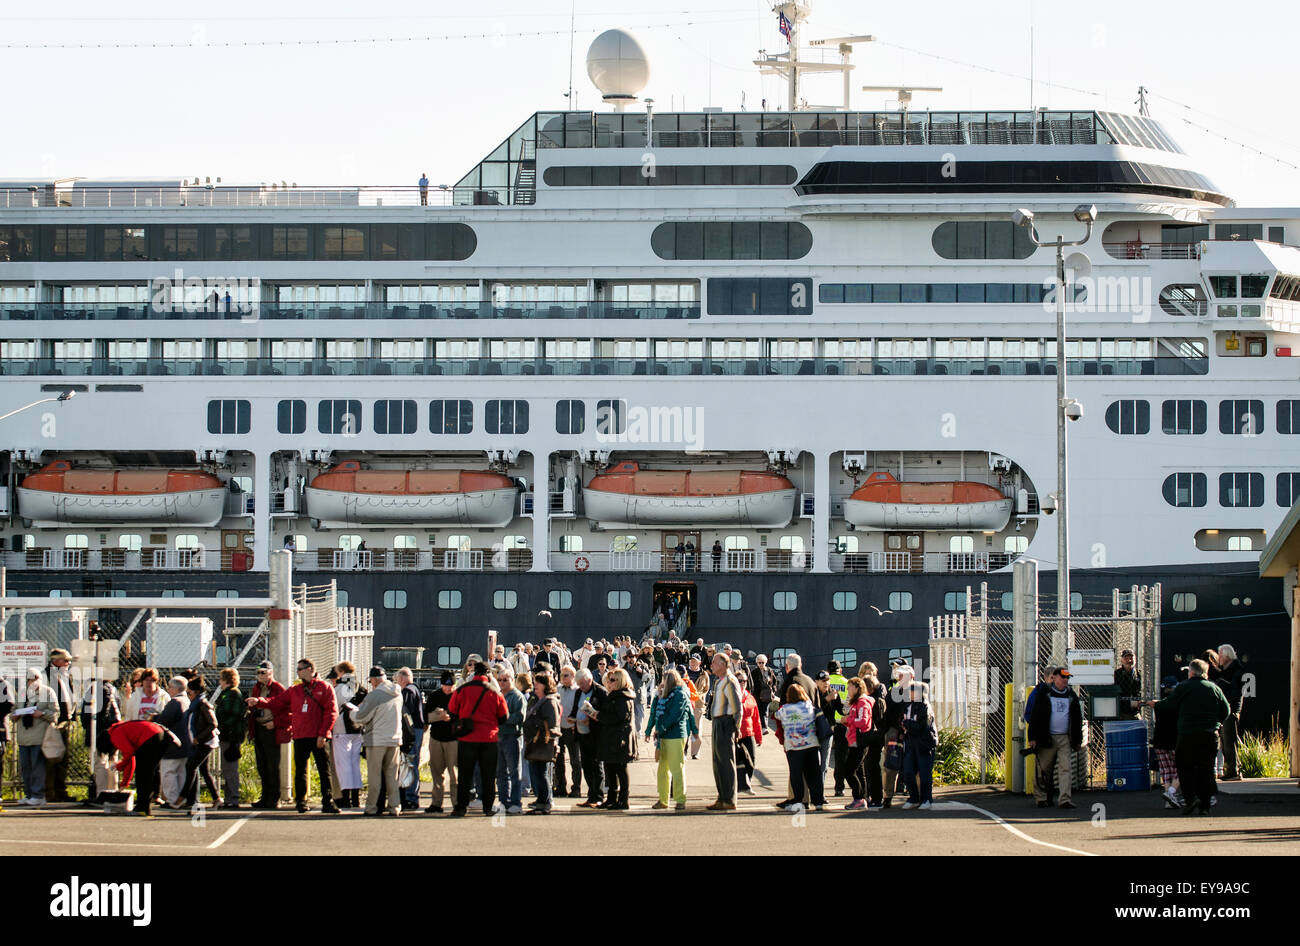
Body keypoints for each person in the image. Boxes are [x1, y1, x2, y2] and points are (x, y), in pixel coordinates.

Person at [247, 657, 339, 814]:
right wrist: (259, 701)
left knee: (324, 769)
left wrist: (323, 734)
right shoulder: (295, 690)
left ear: (310, 669)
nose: (298, 672)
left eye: (300, 669)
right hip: (300, 735)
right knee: (300, 770)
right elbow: (277, 701)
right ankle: (301, 801)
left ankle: (328, 801)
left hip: (317, 735)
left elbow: (331, 712)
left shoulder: (324, 687)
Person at [1145, 659, 1231, 816]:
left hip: (1187, 734)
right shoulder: (1214, 688)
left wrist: (1155, 704)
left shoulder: (1184, 687)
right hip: (1209, 734)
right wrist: (1216, 724)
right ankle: (1205, 804)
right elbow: (1226, 710)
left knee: (1185, 768)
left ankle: (1190, 799)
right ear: (1205, 673)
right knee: (1206, 769)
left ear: (1191, 672)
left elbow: (1169, 705)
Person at [448, 661, 509, 817]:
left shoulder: (462, 690)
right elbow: (504, 716)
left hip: (468, 738)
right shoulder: (495, 693)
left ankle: (461, 807)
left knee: (465, 775)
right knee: (488, 775)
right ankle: (488, 807)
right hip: (489, 738)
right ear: (488, 675)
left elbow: (452, 710)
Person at [1027, 667, 1083, 810]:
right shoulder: (1044, 693)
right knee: (1043, 769)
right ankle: (1041, 797)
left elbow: (1077, 719)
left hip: (1064, 738)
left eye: (1067, 678)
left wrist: (1077, 740)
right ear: (1055, 677)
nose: (1065, 680)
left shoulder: (1071, 695)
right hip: (1047, 737)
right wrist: (1033, 737)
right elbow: (1035, 716)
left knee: (1066, 768)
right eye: (1062, 677)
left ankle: (1064, 799)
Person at [350, 666, 402, 816]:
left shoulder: (375, 695)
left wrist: (352, 712)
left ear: (374, 680)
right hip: (394, 739)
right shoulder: (398, 693)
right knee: (392, 777)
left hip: (376, 740)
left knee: (375, 776)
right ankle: (395, 807)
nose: (371, 684)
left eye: (371, 681)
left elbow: (362, 717)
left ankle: (371, 807)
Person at [645, 668, 696, 810]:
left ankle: (680, 799)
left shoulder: (680, 694)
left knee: (676, 767)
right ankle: (663, 799)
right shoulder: (664, 694)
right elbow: (657, 712)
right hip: (665, 735)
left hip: (676, 734)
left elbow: (676, 715)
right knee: (663, 768)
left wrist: (661, 728)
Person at [109, 719, 178, 817]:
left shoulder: (114, 734)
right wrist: (125, 782)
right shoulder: (124, 727)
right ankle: (145, 806)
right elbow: (131, 759)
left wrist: (119, 766)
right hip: (162, 736)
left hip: (149, 739)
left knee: (143, 775)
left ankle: (142, 808)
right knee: (150, 773)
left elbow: (129, 753)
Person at [774, 684, 824, 811]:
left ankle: (798, 801)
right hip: (811, 744)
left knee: (796, 775)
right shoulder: (809, 706)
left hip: (794, 747)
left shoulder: (785, 709)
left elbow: (776, 715)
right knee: (814, 774)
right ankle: (818, 801)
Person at [247, 661, 290, 809]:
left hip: (271, 728)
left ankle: (274, 797)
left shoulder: (277, 688)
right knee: (262, 765)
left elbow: (285, 709)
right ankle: (265, 796)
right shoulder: (256, 688)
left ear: (271, 673)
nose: (260, 675)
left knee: (272, 764)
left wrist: (276, 723)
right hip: (259, 727)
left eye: (263, 672)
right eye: (258, 672)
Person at [706, 653, 743, 811]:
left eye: (714, 662)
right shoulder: (719, 681)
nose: (711, 665)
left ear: (722, 664)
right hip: (718, 721)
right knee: (718, 762)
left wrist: (736, 727)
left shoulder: (729, 680)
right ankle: (722, 797)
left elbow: (737, 707)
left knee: (726, 762)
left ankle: (729, 798)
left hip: (726, 722)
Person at [15, 668, 56, 806]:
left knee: (38, 766)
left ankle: (38, 795)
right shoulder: (22, 693)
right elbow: (13, 712)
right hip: (23, 737)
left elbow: (55, 714)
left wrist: (42, 713)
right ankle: (29, 794)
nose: (32, 682)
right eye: (30, 679)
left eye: (35, 679)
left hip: (39, 736)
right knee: (25, 767)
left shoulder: (48, 692)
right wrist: (15, 715)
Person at [180, 676, 222, 809]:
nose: (188, 695)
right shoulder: (195, 705)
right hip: (200, 742)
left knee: (190, 766)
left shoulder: (203, 704)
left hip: (207, 742)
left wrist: (199, 738)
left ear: (196, 692)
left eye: (189, 693)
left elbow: (213, 723)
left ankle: (183, 797)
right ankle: (216, 798)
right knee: (203, 770)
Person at [524, 670, 562, 814]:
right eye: (535, 683)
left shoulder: (549, 701)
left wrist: (534, 722)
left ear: (546, 685)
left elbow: (551, 723)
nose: (535, 686)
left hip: (543, 742)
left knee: (542, 773)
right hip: (535, 741)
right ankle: (541, 800)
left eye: (538, 683)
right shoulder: (538, 700)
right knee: (537, 772)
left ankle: (545, 802)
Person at [80, 674, 122, 805]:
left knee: (100, 763)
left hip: (99, 732)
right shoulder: (114, 690)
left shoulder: (95, 689)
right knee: (112, 762)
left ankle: (102, 793)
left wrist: (87, 724)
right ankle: (113, 791)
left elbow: (88, 713)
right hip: (113, 731)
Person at [332, 662, 367, 810]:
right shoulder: (361, 688)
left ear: (341, 672)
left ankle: (345, 798)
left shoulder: (340, 688)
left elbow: (334, 707)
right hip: (358, 728)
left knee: (343, 765)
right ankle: (355, 798)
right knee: (354, 764)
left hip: (341, 729)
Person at [899, 681, 938, 810]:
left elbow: (923, 727)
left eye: (912, 690)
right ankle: (914, 798)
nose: (909, 693)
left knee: (925, 773)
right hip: (910, 742)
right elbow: (902, 720)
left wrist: (907, 724)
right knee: (907, 772)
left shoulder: (925, 706)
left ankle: (926, 799)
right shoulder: (907, 705)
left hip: (924, 744)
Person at [42, 648, 75, 802]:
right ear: (56, 660)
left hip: (64, 721)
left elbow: (69, 696)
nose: (68, 663)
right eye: (65, 660)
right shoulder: (46, 676)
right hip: (52, 722)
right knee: (51, 757)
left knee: (63, 758)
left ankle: (60, 790)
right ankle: (50, 792)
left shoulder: (65, 676)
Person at [422, 670, 457, 813]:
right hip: (436, 737)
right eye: (444, 685)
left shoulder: (458, 696)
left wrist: (450, 717)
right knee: (436, 772)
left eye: (450, 685)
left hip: (453, 739)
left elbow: (464, 716)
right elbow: (426, 717)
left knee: (454, 774)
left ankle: (457, 803)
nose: (447, 688)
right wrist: (438, 716)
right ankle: (436, 803)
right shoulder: (435, 696)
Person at [572, 668, 607, 808]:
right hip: (581, 733)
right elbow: (575, 709)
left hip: (595, 734)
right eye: (579, 684)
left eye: (583, 683)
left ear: (590, 680)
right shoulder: (579, 692)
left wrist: (592, 719)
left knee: (596, 766)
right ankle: (590, 795)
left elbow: (604, 714)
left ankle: (598, 796)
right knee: (586, 765)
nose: (581, 686)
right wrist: (572, 718)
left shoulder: (600, 692)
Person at [838, 676, 874, 809]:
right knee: (858, 771)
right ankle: (863, 797)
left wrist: (849, 720)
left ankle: (859, 798)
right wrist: (848, 720)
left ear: (857, 688)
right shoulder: (856, 703)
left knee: (849, 771)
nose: (848, 689)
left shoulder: (862, 702)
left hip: (859, 741)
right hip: (854, 740)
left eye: (850, 687)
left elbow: (864, 722)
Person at [155, 676, 191, 808]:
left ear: (175, 689)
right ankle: (181, 799)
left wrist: (155, 716)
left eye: (170, 687)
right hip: (186, 742)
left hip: (173, 744)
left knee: (169, 772)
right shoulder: (187, 701)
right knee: (181, 772)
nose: (168, 689)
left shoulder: (175, 702)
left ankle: (172, 799)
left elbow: (165, 720)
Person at [212, 668, 245, 810]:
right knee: (227, 768)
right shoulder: (227, 694)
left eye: (221, 679)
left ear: (225, 680)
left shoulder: (232, 695)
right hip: (227, 735)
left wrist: (222, 725)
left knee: (230, 768)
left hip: (231, 736)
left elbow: (234, 714)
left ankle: (233, 798)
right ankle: (229, 797)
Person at [495, 667, 526, 813]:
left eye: (505, 680)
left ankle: (515, 802)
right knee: (500, 772)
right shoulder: (498, 695)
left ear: (512, 680)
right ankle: (503, 801)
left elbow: (520, 717)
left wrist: (502, 719)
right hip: (498, 737)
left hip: (512, 737)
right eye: (500, 680)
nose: (502, 683)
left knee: (514, 771)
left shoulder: (517, 697)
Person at [1213, 644, 1246, 781]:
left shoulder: (1235, 671)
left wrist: (1228, 707)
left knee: (1229, 741)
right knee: (1226, 741)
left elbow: (1235, 693)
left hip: (1230, 710)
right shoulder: (1227, 671)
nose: (1218, 658)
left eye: (1220, 655)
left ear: (1226, 656)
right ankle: (1231, 770)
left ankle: (1233, 771)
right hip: (1226, 709)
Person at [858, 662, 888, 808]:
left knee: (871, 766)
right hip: (876, 734)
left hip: (872, 734)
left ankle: (874, 797)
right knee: (870, 766)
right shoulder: (880, 693)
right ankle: (872, 797)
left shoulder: (871, 699)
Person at [395, 668, 424, 811]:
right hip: (418, 729)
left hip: (410, 731)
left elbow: (403, 710)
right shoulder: (416, 689)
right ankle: (412, 795)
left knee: (409, 763)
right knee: (413, 762)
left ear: (402, 679)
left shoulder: (407, 692)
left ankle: (410, 797)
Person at [1151, 675, 1183, 808]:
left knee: (1166, 770)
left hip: (1160, 741)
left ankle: (1168, 799)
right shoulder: (1178, 704)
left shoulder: (1159, 705)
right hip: (1175, 741)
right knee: (1180, 769)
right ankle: (1172, 793)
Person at [554, 664, 583, 798]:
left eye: (566, 675)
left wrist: (576, 722)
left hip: (572, 729)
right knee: (558, 760)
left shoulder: (578, 691)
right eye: (561, 675)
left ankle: (576, 788)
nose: (563, 678)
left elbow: (582, 708)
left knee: (575, 760)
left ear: (573, 676)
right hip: (559, 729)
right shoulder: (557, 690)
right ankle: (560, 787)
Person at [735, 670, 762, 795]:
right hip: (736, 733)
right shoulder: (732, 696)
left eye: (744, 681)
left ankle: (748, 782)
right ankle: (740, 785)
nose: (742, 683)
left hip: (749, 732)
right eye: (740, 681)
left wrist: (759, 736)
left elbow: (756, 718)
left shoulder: (750, 697)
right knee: (739, 761)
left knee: (751, 760)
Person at [825, 661, 849, 795]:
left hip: (828, 723)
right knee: (840, 757)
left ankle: (820, 786)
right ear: (840, 670)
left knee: (824, 756)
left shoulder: (826, 682)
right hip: (842, 723)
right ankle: (839, 787)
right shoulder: (846, 682)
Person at [1114, 649, 1142, 720]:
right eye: (1126, 658)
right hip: (1120, 710)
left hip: (1134, 710)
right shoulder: (1117, 674)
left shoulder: (1139, 674)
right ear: (1121, 660)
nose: (1129, 661)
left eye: (1131, 658)